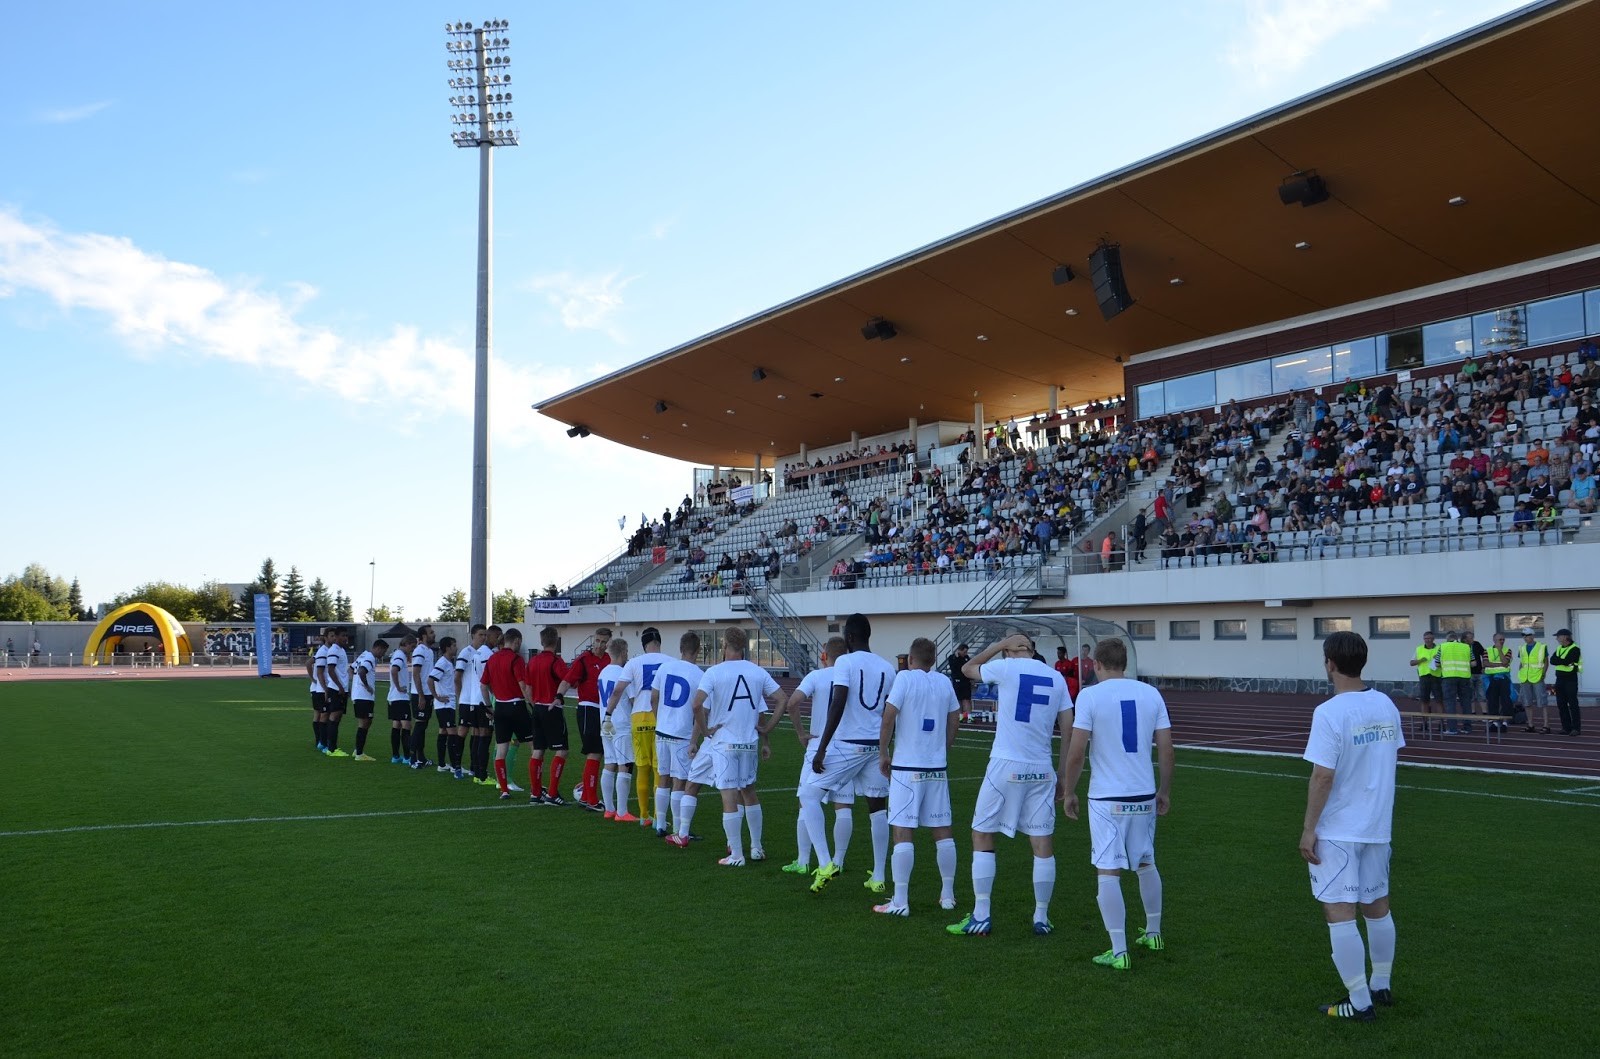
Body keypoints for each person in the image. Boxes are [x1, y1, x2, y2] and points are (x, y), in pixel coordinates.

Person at [1298, 631, 1402, 1021]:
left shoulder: (1329, 712)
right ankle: (1381, 984)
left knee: (1339, 912)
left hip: (1340, 829)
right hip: (1377, 825)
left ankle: (1359, 1003)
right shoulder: (1386, 704)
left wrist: (1309, 829)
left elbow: (1323, 776)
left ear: (1329, 663)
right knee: (1377, 906)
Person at [948, 632, 1071, 937]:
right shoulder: (1055, 677)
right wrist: (1063, 774)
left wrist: (999, 645)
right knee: (1042, 841)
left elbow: (966, 669)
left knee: (982, 833)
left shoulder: (1007, 666)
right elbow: (1069, 727)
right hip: (1041, 767)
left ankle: (981, 914)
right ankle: (1041, 916)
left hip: (1006, 763)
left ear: (1011, 650)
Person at [1060, 638, 1173, 970]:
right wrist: (1164, 790)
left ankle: (1119, 951)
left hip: (1107, 798)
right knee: (1146, 863)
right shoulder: (1151, 694)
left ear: (1096, 664)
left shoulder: (1090, 695)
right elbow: (1167, 748)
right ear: (1125, 664)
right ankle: (1153, 933)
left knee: (1108, 870)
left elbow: (1077, 752)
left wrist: (1069, 791)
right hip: (1143, 794)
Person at [801, 613, 898, 894]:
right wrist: (885, 749)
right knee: (877, 808)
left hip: (848, 744)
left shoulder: (845, 661)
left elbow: (838, 702)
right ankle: (879, 876)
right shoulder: (887, 667)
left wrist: (821, 748)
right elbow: (891, 712)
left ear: (850, 637)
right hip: (875, 746)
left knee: (808, 795)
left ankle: (825, 863)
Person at [872, 637, 961, 916]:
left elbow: (888, 716)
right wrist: (943, 747)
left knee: (902, 831)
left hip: (907, 768)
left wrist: (883, 753)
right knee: (942, 829)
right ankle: (948, 895)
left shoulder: (905, 679)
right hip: (936, 768)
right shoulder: (944, 682)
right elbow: (955, 718)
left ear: (910, 659)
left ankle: (900, 901)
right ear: (933, 660)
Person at [687, 626, 781, 866]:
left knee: (729, 796)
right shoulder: (757, 671)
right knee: (749, 792)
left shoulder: (714, 672)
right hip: (749, 742)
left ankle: (737, 854)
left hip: (725, 744)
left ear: (724, 645)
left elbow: (697, 705)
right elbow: (782, 699)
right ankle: (757, 847)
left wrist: (705, 731)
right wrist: (767, 730)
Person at [770, 637, 857, 876]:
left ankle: (804, 860)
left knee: (806, 801)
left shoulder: (816, 676)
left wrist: (801, 733)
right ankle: (838, 861)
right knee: (843, 806)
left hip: (818, 747)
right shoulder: (853, 676)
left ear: (824, 655)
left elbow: (792, 703)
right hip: (846, 749)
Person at [605, 627, 667, 825]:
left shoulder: (634, 662)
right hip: (661, 718)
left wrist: (607, 715)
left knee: (642, 768)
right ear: (659, 642)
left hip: (639, 718)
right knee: (659, 770)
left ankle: (643, 815)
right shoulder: (670, 661)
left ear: (643, 644)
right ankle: (658, 818)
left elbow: (617, 691)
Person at [651, 632, 704, 839]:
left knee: (663, 777)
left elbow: (654, 697)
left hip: (662, 731)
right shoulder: (699, 675)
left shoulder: (665, 667)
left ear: (680, 648)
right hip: (682, 734)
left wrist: (660, 719)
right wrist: (694, 739)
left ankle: (660, 824)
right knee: (680, 781)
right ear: (698, 651)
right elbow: (700, 710)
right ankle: (679, 829)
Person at [555, 627, 612, 811]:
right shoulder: (584, 660)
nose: (599, 645)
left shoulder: (609, 660)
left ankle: (587, 797)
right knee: (594, 752)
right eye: (597, 641)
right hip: (588, 709)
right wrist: (559, 696)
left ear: (608, 643)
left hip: (602, 711)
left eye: (603, 642)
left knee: (598, 753)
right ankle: (592, 800)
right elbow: (567, 680)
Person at [522, 626, 571, 804]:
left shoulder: (533, 661)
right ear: (556, 641)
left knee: (538, 750)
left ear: (542, 641)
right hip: (552, 708)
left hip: (537, 708)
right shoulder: (556, 661)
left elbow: (527, 688)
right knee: (562, 750)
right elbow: (569, 681)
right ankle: (552, 793)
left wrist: (534, 704)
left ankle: (536, 793)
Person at [481, 627, 531, 800]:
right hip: (517, 706)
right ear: (516, 641)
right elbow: (523, 685)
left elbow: (483, 686)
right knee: (535, 746)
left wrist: (489, 706)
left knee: (501, 748)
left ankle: (503, 789)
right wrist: (532, 705)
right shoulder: (516, 659)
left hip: (500, 707)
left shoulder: (492, 658)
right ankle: (537, 789)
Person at [598, 638, 634, 818]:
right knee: (624, 765)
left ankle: (609, 809)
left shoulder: (603, 672)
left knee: (609, 763)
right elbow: (633, 700)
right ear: (623, 652)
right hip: (621, 724)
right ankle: (622, 812)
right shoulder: (624, 673)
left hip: (605, 722)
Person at [455, 625, 493, 784]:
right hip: (468, 700)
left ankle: (474, 768)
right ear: (473, 636)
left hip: (475, 699)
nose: (483, 637)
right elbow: (457, 677)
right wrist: (460, 697)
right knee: (465, 731)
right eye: (480, 635)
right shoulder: (466, 652)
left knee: (476, 732)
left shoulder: (481, 653)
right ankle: (457, 767)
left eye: (485, 635)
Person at [427, 637, 465, 778]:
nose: (456, 647)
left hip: (447, 705)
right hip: (444, 705)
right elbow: (430, 680)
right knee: (452, 734)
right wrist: (437, 697)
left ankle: (442, 765)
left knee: (443, 732)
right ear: (447, 648)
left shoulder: (448, 663)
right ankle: (455, 766)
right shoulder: (442, 662)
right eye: (454, 645)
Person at [348, 638, 385, 762]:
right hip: (363, 696)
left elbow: (350, 669)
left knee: (366, 722)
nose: (383, 655)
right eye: (383, 652)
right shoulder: (370, 658)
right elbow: (361, 671)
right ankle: (359, 754)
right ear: (378, 648)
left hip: (359, 695)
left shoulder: (363, 655)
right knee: (364, 722)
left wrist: (355, 684)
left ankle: (357, 750)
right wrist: (366, 686)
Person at [408, 624, 437, 769]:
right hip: (420, 694)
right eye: (431, 632)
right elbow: (416, 674)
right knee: (419, 725)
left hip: (427, 694)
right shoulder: (419, 650)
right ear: (424, 636)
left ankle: (421, 758)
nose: (434, 634)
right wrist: (421, 695)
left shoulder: (429, 651)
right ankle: (412, 758)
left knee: (423, 726)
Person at [1437, 631, 1474, 736]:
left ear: (1447, 639)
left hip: (1449, 677)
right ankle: (1467, 727)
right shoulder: (1466, 647)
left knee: (1450, 703)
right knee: (1466, 703)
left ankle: (1452, 728)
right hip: (1464, 677)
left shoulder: (1442, 647)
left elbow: (1437, 663)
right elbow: (1473, 663)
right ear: (1456, 638)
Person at [321, 628, 351, 758]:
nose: (345, 638)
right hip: (336, 689)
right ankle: (331, 749)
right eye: (343, 635)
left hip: (341, 688)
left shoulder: (341, 650)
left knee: (337, 717)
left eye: (346, 636)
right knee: (334, 717)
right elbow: (330, 670)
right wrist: (339, 686)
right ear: (337, 637)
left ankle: (331, 746)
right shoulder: (334, 650)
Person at [1516, 628, 1551, 734]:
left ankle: (1546, 725)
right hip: (1525, 677)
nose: (1525, 637)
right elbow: (1522, 662)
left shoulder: (1541, 646)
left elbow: (1546, 661)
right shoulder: (1522, 648)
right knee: (1526, 702)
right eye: (1524, 636)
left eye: (1527, 635)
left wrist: (1543, 674)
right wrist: (1520, 672)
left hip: (1537, 676)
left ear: (1533, 635)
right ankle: (1530, 725)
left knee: (1542, 701)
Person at [386, 635, 414, 763]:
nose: (412, 650)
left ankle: (396, 756)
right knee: (406, 725)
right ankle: (407, 757)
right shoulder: (400, 656)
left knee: (396, 725)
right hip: (400, 697)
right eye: (412, 647)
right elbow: (394, 670)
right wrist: (398, 687)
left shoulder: (397, 654)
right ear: (406, 644)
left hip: (394, 697)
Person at [1552, 628, 1583, 737]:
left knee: (1573, 704)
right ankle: (1566, 727)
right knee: (1561, 704)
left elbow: (1567, 661)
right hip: (1560, 679)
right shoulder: (1559, 648)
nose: (1556, 638)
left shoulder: (1575, 649)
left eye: (1558, 636)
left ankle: (1576, 728)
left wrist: (1560, 661)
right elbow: (1552, 660)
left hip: (1570, 680)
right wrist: (1563, 662)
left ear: (1565, 637)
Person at [1409, 630, 1442, 732]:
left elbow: (1445, 661)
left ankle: (1441, 723)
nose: (1428, 640)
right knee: (1424, 700)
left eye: (1430, 638)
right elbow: (1411, 662)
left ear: (1433, 639)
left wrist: (1438, 659)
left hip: (1436, 677)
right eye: (1426, 638)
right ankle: (1424, 723)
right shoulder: (1419, 649)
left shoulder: (1439, 648)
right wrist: (1420, 660)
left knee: (1439, 700)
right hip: (1424, 677)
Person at [1483, 632, 1514, 732]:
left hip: (1504, 678)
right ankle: (1494, 722)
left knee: (1506, 700)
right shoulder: (1487, 650)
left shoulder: (1507, 650)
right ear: (1494, 640)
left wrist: (1500, 650)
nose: (1502, 641)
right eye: (1499, 640)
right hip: (1491, 678)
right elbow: (1485, 663)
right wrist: (1499, 665)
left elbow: (1505, 662)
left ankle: (1504, 723)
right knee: (1492, 700)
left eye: (1503, 639)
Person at [309, 628, 330, 752]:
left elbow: (309, 663)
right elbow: (308, 663)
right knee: (322, 715)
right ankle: (321, 741)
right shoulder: (323, 651)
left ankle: (319, 741)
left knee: (318, 715)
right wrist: (313, 679)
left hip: (317, 687)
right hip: (320, 688)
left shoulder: (321, 651)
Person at [945, 644, 973, 723]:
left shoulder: (966, 658)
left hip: (966, 681)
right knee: (959, 699)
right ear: (959, 650)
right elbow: (954, 668)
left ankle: (969, 717)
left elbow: (968, 667)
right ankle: (961, 716)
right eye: (964, 651)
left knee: (967, 699)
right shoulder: (952, 658)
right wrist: (957, 658)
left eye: (966, 652)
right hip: (957, 681)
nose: (965, 653)